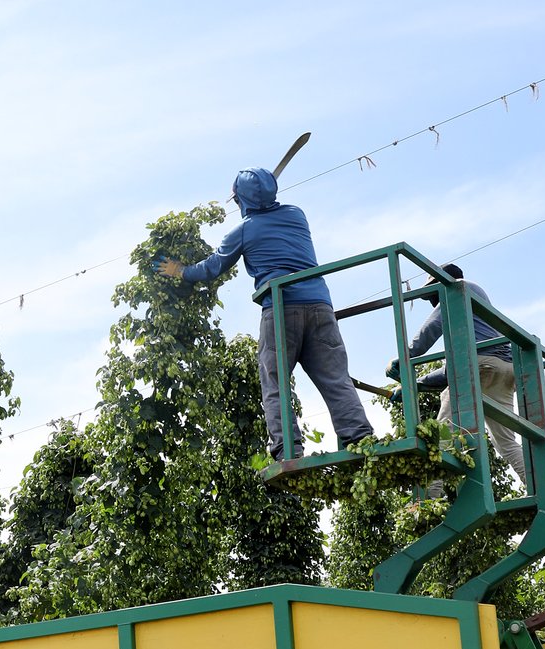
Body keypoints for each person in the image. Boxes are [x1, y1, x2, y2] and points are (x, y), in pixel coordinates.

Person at [157, 167, 372, 459]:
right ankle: (360, 438)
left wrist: (180, 271)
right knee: (335, 378)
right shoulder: (297, 214)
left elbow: (212, 267)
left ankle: (287, 450)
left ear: (240, 201)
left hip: (281, 308)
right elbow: (265, 207)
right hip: (321, 306)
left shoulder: (243, 230)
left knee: (275, 380)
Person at [387, 263, 526, 488]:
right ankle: (542, 488)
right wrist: (415, 385)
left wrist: (403, 359)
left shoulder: (455, 290)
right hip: (505, 368)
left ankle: (429, 503)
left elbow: (429, 331)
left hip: (479, 366)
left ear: (441, 283)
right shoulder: (476, 302)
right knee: (506, 442)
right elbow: (449, 372)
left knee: (442, 431)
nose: (434, 302)